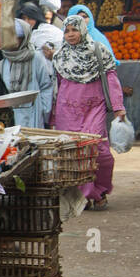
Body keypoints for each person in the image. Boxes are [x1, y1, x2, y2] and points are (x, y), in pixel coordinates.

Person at [51, 15, 126, 210]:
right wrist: (52, 115)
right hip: (67, 110)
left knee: (100, 153)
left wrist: (118, 107)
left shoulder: (98, 51)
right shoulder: (60, 56)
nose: (70, 35)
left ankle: (100, 189)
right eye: (67, 31)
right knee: (73, 154)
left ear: (83, 30)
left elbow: (111, 79)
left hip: (94, 107)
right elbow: (56, 87)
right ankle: (88, 195)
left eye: (74, 30)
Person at [1, 18, 55, 129]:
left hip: (33, 112)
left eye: (18, 38)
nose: (14, 41)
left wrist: (44, 111)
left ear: (25, 38)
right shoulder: (4, 60)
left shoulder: (36, 57)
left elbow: (46, 86)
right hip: (13, 113)